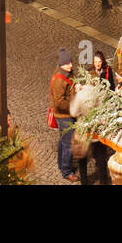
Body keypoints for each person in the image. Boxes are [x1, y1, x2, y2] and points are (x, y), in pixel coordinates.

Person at [49, 48, 77, 182]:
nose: (71, 65)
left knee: (63, 141)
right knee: (68, 144)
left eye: (71, 62)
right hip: (64, 116)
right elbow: (59, 102)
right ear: (61, 65)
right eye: (68, 63)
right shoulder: (59, 80)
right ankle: (66, 171)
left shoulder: (67, 73)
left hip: (66, 114)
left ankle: (61, 165)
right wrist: (74, 106)